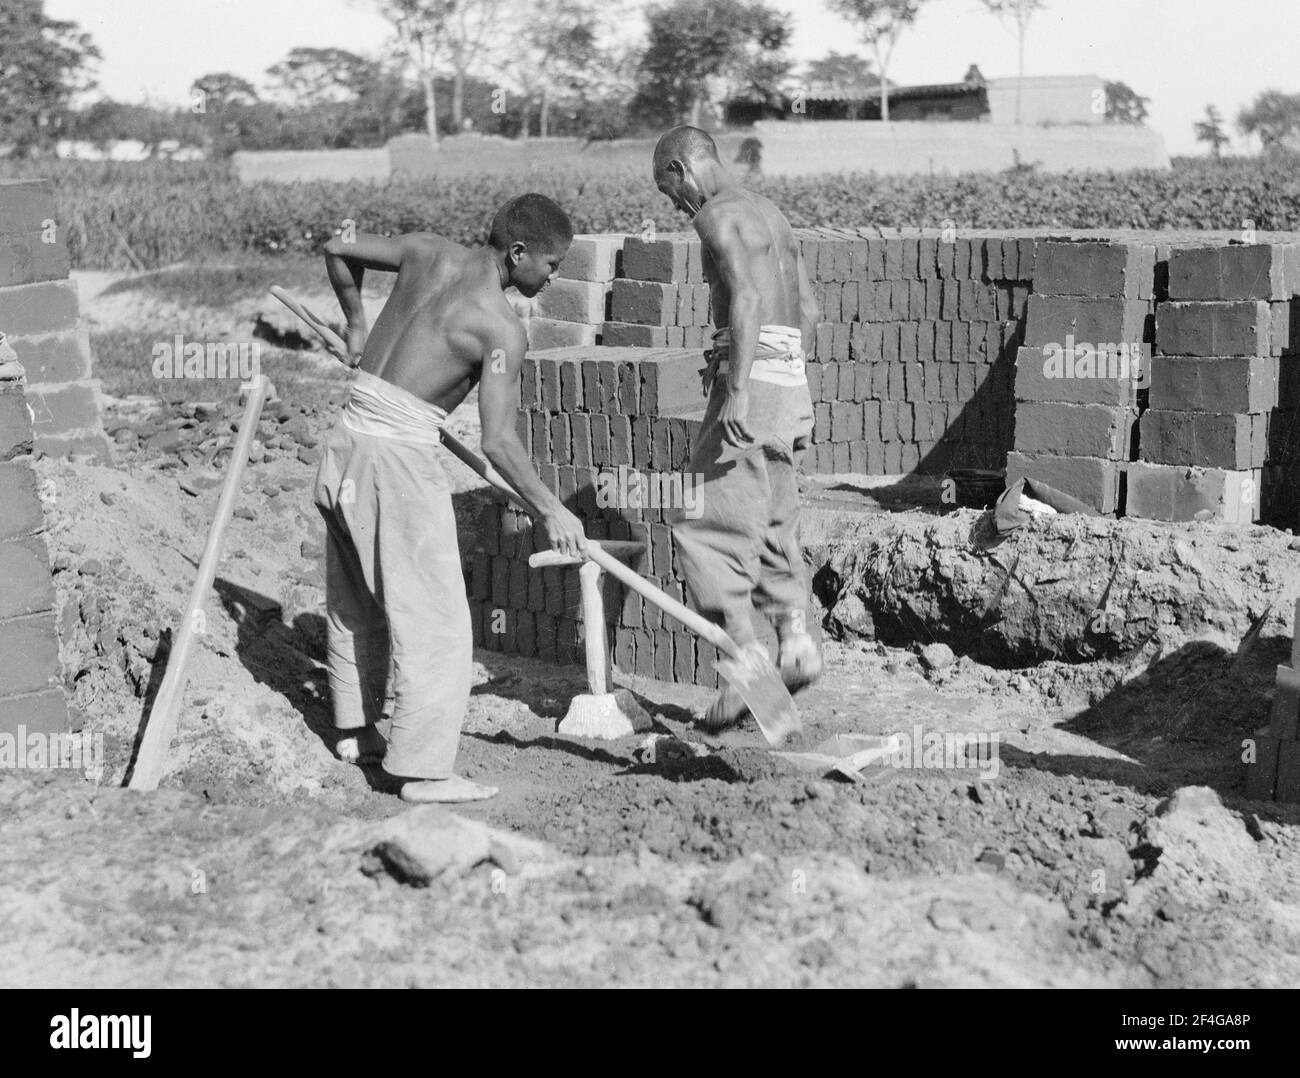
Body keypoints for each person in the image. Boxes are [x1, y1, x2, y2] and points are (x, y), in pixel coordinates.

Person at [315, 193, 587, 802]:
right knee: (437, 620)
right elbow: (498, 442)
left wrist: (358, 326)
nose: (553, 276)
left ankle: (357, 731)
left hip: (345, 443)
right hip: (397, 466)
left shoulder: (423, 250)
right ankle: (423, 772)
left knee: (356, 597)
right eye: (551, 263)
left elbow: (337, 247)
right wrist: (552, 508)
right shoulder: (500, 327)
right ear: (517, 253)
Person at [652, 125, 822, 731]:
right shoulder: (770, 213)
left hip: (753, 389)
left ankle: (747, 671)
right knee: (774, 518)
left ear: (681, 167)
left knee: (702, 523)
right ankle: (796, 641)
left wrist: (741, 384)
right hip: (790, 381)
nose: (673, 204)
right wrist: (777, 376)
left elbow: (747, 298)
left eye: (668, 188)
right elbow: (806, 309)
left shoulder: (716, 216)